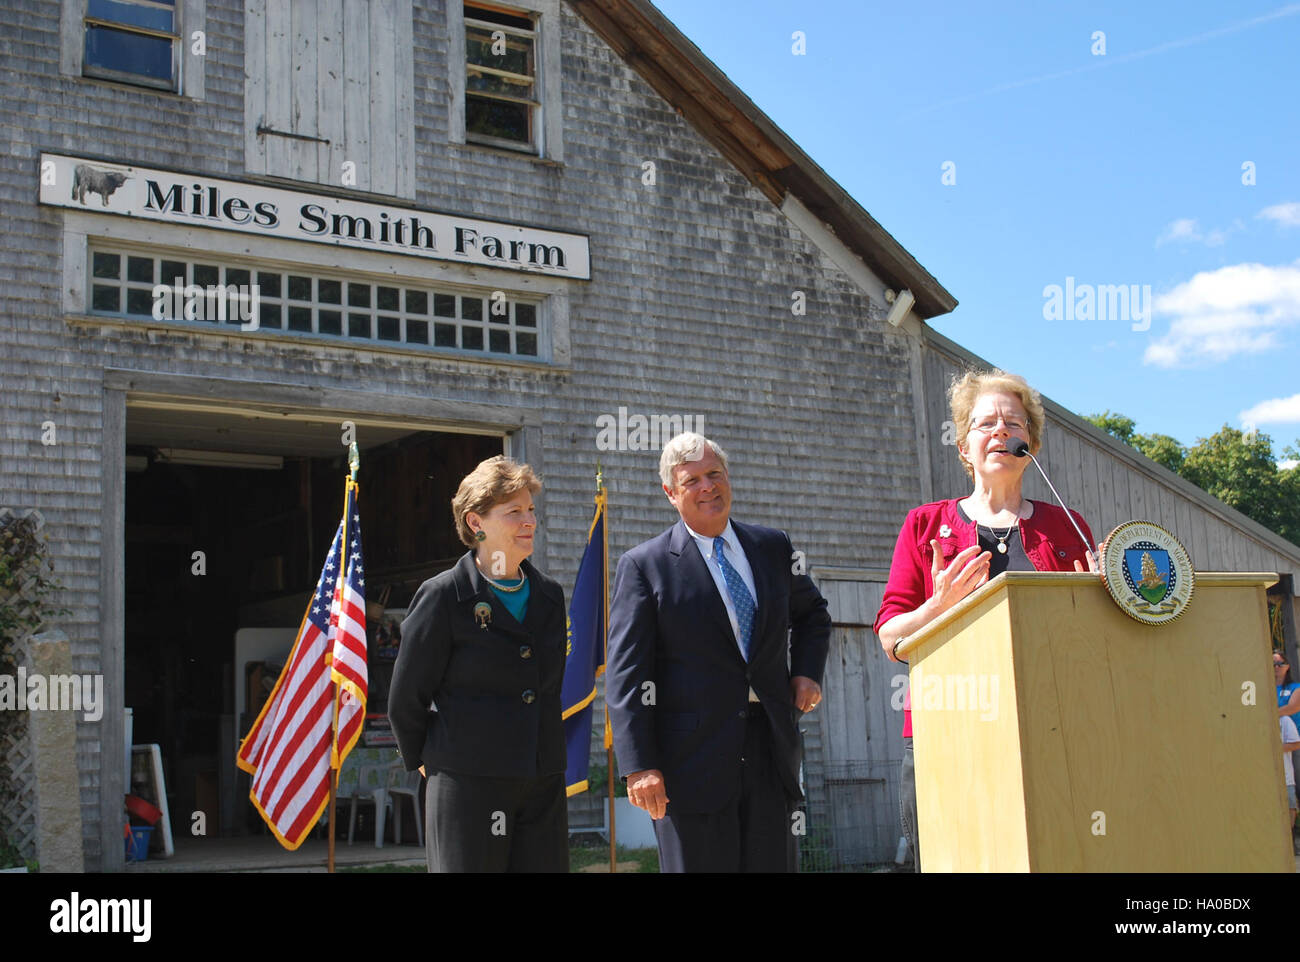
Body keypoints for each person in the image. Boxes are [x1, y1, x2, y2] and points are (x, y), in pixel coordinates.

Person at [873, 370, 1097, 871]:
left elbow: (1090, 638)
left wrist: (1105, 598)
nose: (999, 431)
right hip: (948, 724)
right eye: (985, 423)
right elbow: (890, 638)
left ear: (1031, 445)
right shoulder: (924, 525)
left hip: (1053, 722)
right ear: (964, 446)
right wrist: (939, 605)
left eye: (1012, 423)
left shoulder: (1068, 524)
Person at [606, 432, 831, 872]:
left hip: (769, 752)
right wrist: (639, 766)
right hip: (688, 768)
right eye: (692, 480)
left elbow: (813, 615)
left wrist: (806, 672)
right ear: (670, 493)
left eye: (715, 474)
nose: (708, 486)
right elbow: (626, 675)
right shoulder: (644, 566)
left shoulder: (773, 547)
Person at [388, 456, 568, 872]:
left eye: (530, 511)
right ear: (475, 523)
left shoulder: (549, 596)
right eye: (513, 513)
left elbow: (547, 688)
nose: (529, 522)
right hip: (466, 784)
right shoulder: (442, 596)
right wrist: (428, 761)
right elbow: (407, 698)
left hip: (541, 782)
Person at [1281, 714, 1299, 855]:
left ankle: (1290, 843)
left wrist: (1272, 747)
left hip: (1285, 775)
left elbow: (1295, 743)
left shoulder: (1285, 720)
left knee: (1290, 808)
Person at [1276, 652, 1300, 723]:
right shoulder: (1264, 691)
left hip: (1294, 732)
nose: (1276, 667)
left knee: (1285, 719)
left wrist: (1264, 716)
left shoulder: (1297, 688)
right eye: (1273, 664)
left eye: (1280, 664)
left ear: (1287, 666)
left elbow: (1291, 708)